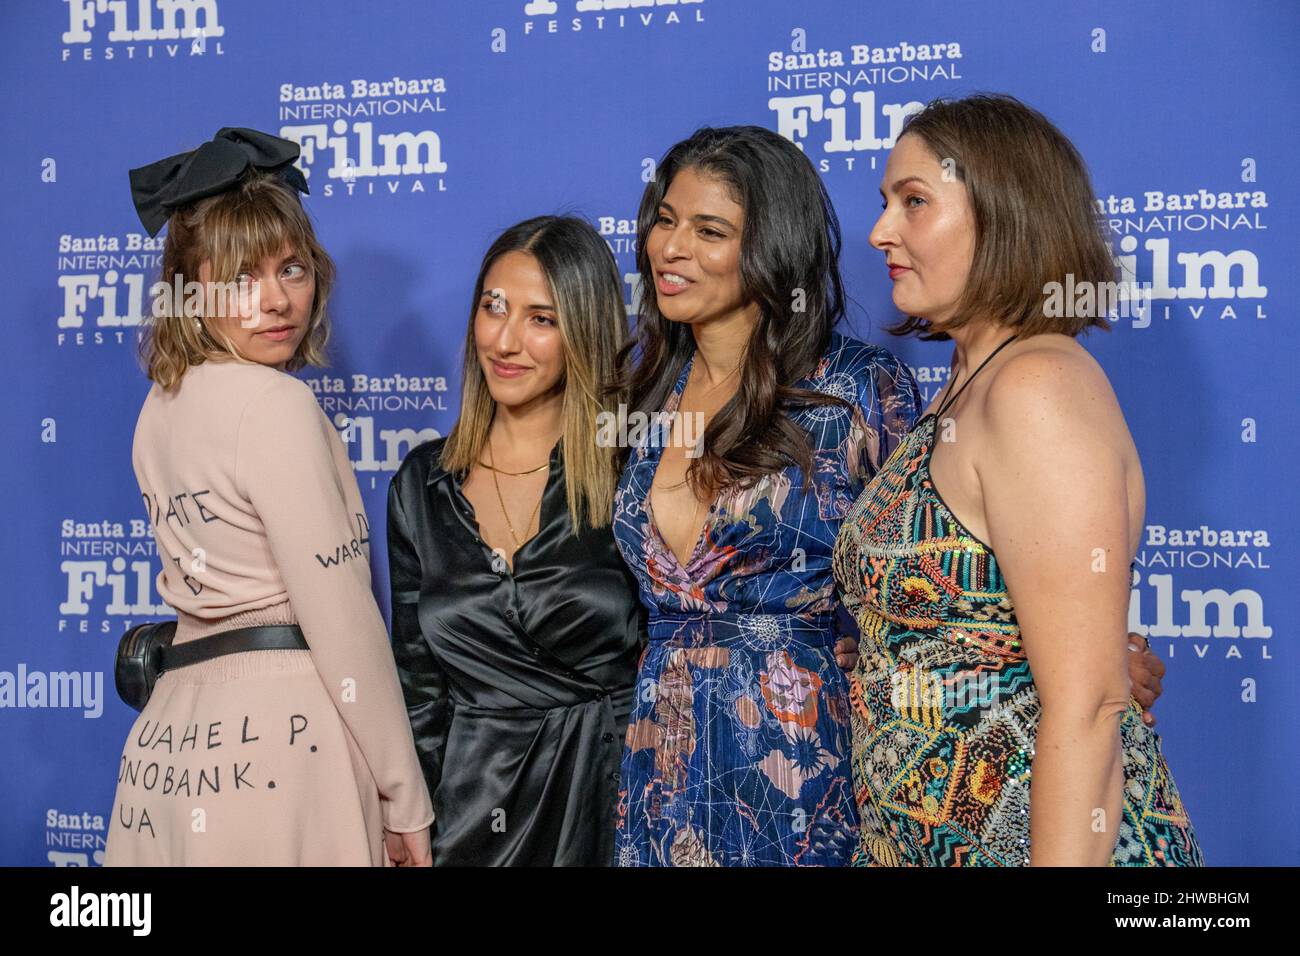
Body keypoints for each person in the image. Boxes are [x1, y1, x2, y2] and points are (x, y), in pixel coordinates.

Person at [836, 94, 1203, 866]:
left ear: (1003, 216)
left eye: (914, 204)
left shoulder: (1036, 387)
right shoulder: (964, 387)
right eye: (884, 204)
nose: (879, 233)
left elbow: (1092, 703)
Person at [104, 128, 432, 866]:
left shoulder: (157, 410)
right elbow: (341, 618)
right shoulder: (275, 404)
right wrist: (403, 794)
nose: (277, 300)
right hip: (282, 749)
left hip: (167, 748)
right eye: (241, 277)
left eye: (292, 269)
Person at [611, 125, 922, 867]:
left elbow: (929, 581)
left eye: (708, 230)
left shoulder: (855, 390)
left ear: (772, 247)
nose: (670, 249)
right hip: (664, 761)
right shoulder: (644, 395)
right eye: (665, 220)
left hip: (802, 767)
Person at [387, 216, 644, 865]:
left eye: (540, 319)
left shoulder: (631, 471)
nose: (505, 340)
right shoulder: (421, 485)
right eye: (493, 307)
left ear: (582, 333)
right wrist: (409, 816)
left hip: (608, 803)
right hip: (467, 818)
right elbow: (418, 688)